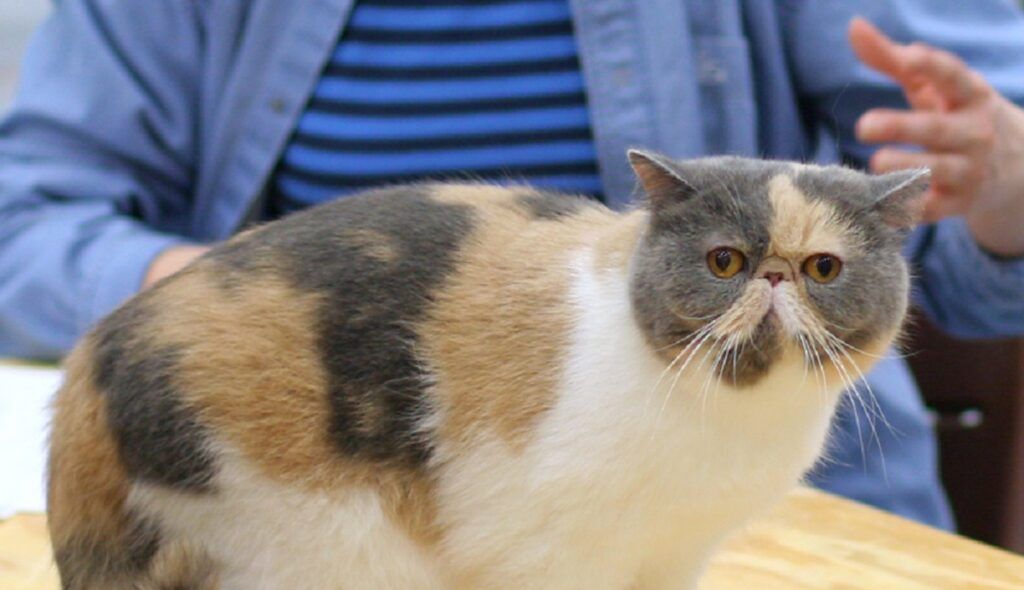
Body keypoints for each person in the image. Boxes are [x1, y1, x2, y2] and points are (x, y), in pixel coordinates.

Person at [2, 1, 1024, 531]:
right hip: (345, 508)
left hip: (775, 513)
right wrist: (222, 303)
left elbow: (961, 256)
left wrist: (1003, 186)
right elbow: (26, 214)